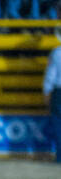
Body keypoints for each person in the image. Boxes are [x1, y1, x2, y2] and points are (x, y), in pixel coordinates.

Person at [45, 30, 61, 164]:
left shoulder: (56, 53)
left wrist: (46, 93)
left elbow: (50, 75)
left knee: (58, 124)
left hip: (59, 91)